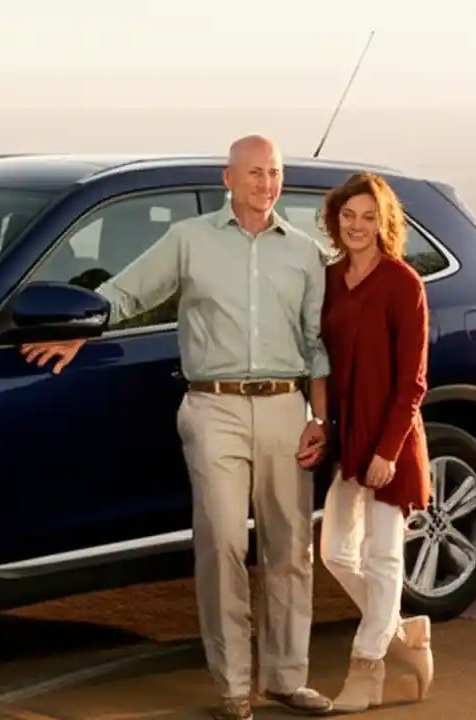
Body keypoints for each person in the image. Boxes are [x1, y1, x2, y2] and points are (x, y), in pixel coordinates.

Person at [22, 135, 334, 720]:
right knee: (220, 545)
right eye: (254, 173)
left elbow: (318, 344)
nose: (266, 184)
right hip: (212, 407)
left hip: (285, 409)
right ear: (228, 178)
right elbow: (126, 292)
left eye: (274, 173)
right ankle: (235, 688)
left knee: (290, 547)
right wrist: (75, 330)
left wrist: (320, 417)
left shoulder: (306, 253)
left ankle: (289, 679)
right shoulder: (188, 241)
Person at [316, 171, 435, 712]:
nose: (357, 226)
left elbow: (413, 380)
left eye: (368, 217)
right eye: (348, 216)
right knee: (336, 552)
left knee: (384, 558)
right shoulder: (331, 279)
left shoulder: (402, 282)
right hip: (349, 439)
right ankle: (402, 631)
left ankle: (367, 671)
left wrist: (388, 450)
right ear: (335, 220)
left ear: (384, 222)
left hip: (392, 442)